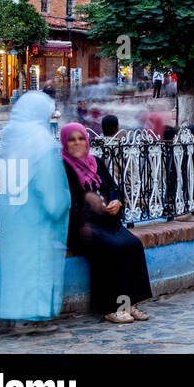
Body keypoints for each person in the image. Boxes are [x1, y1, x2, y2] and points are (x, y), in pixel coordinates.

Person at [61, 123, 153, 323]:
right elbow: (65, 200)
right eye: (71, 139)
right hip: (80, 226)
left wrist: (117, 201)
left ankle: (130, 303)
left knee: (133, 245)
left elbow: (114, 188)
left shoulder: (96, 162)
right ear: (65, 142)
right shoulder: (63, 167)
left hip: (105, 221)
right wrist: (86, 200)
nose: (77, 143)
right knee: (112, 249)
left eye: (80, 138)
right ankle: (110, 307)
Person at [0, 92, 70, 328]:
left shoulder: (10, 137)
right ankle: (32, 314)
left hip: (12, 215)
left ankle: (12, 310)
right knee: (35, 265)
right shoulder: (42, 142)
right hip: (36, 219)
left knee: (15, 266)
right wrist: (61, 204)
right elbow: (51, 190)